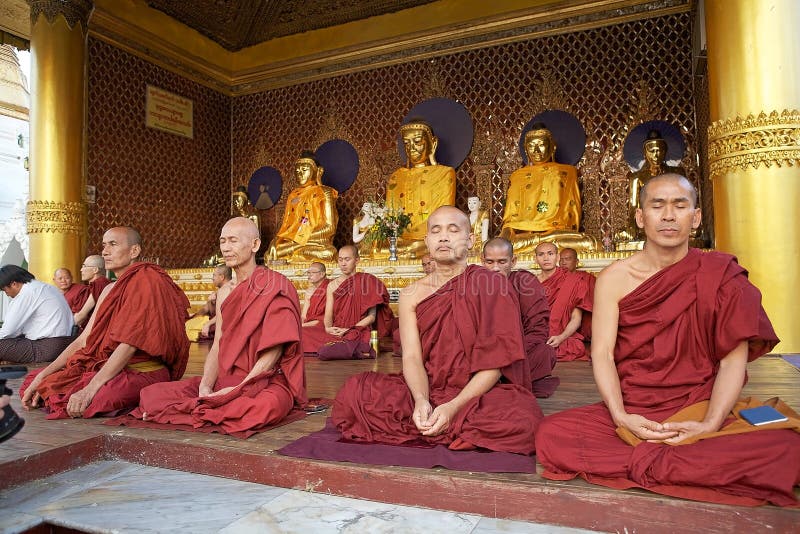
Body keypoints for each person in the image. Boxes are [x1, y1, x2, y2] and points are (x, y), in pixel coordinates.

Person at [535, 174, 800, 507]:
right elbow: (602, 354)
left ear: (696, 216)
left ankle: (657, 457)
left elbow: (733, 359)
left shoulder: (718, 274)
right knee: (552, 435)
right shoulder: (615, 279)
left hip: (699, 404)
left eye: (680, 205)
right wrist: (620, 416)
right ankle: (686, 462)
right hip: (634, 410)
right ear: (640, 217)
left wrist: (709, 424)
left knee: (787, 447)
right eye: (657, 206)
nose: (669, 216)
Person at [333, 206, 542, 454]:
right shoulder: (411, 294)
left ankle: (449, 421)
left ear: (471, 240)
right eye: (436, 231)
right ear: (427, 241)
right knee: (355, 391)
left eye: (453, 230)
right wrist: (421, 400)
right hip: (427, 385)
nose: (443, 237)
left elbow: (495, 364)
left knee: (524, 419)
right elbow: (412, 357)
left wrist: (453, 407)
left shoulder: (491, 284)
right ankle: (440, 422)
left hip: (477, 391)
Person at [129, 217, 307, 435]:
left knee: (264, 408)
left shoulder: (275, 286)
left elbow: (273, 351)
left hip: (262, 381)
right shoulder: (224, 292)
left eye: (233, 241)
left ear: (255, 245)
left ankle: (191, 410)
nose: (226, 248)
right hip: (226, 379)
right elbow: (218, 345)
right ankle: (206, 406)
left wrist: (240, 388)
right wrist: (205, 386)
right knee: (151, 394)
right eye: (223, 241)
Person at [20, 227, 190, 420]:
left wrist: (91, 388)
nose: (105, 251)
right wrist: (46, 373)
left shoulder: (148, 281)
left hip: (142, 370)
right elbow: (84, 339)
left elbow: (130, 344)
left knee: (97, 400)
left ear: (134, 251)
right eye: (104, 245)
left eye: (113, 244)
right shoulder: (109, 289)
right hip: (108, 366)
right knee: (36, 382)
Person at [500, 123, 597, 253]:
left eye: (541, 144)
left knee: (590, 244)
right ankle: (545, 240)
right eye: (531, 146)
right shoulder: (517, 176)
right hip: (527, 237)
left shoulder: (567, 172)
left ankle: (545, 240)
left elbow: (571, 216)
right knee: (501, 246)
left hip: (558, 233)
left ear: (552, 147)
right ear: (525, 149)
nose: (536, 151)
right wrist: (504, 239)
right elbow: (509, 223)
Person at [481, 238, 558, 397]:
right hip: (484, 352)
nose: (496, 268)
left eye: (502, 262)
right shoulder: (476, 284)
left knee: (544, 353)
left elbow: (538, 330)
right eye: (490, 262)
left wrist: (509, 354)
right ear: (482, 261)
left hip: (518, 351)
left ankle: (495, 379)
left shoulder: (525, 283)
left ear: (513, 261)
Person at [302, 245, 394, 360]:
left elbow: (371, 317)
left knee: (353, 339)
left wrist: (349, 329)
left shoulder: (367, 281)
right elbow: (328, 314)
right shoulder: (332, 285)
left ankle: (346, 348)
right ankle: (347, 348)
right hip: (335, 331)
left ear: (357, 260)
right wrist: (328, 328)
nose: (343, 264)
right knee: (303, 334)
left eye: (347, 259)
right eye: (340, 260)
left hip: (357, 330)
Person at [386, 119, 456, 258]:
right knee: (376, 248)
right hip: (399, 240)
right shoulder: (396, 176)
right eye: (406, 143)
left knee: (419, 247)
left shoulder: (444, 173)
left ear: (432, 143)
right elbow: (390, 217)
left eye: (417, 141)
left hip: (429, 238)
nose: (411, 148)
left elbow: (444, 216)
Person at [616, 129, 685, 244]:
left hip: (674, 221)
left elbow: (684, 202)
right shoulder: (637, 177)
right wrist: (631, 227)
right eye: (652, 151)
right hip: (649, 224)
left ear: (665, 151)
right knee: (626, 235)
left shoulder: (677, 173)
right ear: (645, 153)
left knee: (693, 232)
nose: (656, 155)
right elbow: (634, 207)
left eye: (659, 150)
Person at [267, 151, 338, 262]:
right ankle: (294, 255)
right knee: (272, 252)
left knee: (329, 253)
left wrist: (300, 239)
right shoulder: (293, 195)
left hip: (314, 242)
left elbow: (330, 228)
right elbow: (286, 227)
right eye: (297, 171)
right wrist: (275, 241)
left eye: (304, 170)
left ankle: (292, 257)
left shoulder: (325, 192)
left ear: (318, 171)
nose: (300, 174)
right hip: (295, 242)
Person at [0, 265, 74, 364]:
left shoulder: (27, 293)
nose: (7, 294)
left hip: (47, 348)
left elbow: (8, 331)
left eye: (5, 290)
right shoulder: (45, 287)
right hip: (65, 343)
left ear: (14, 284)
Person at [535, 242, 592, 361]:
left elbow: (576, 318)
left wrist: (561, 338)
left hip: (562, 335)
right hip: (537, 334)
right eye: (541, 254)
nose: (546, 258)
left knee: (576, 347)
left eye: (550, 254)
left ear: (557, 257)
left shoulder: (572, 281)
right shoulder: (531, 283)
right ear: (536, 259)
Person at [392, 254, 435, 356]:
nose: (427, 267)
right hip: (422, 320)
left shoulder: (446, 281)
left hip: (436, 320)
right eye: (424, 265)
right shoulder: (420, 285)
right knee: (398, 334)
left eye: (429, 263)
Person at [558, 247, 596, 341]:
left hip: (583, 315)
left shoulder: (587, 278)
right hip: (563, 316)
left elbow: (595, 300)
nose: (563, 262)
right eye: (561, 260)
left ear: (576, 261)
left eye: (567, 259)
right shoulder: (556, 279)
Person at [194, 265, 233, 342]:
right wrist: (211, 302)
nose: (212, 278)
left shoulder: (229, 290)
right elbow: (206, 309)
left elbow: (224, 314)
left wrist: (208, 324)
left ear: (222, 277)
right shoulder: (219, 291)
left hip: (224, 326)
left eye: (214, 275)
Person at [73, 255, 112, 327]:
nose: (81, 269)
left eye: (84, 266)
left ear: (95, 270)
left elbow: (82, 315)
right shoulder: (89, 287)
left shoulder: (100, 284)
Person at [301, 262, 329, 327]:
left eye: (313, 273)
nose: (309, 275)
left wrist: (302, 326)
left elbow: (326, 319)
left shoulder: (330, 288)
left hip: (324, 325)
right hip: (308, 324)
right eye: (308, 273)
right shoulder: (309, 291)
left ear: (322, 274)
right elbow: (304, 316)